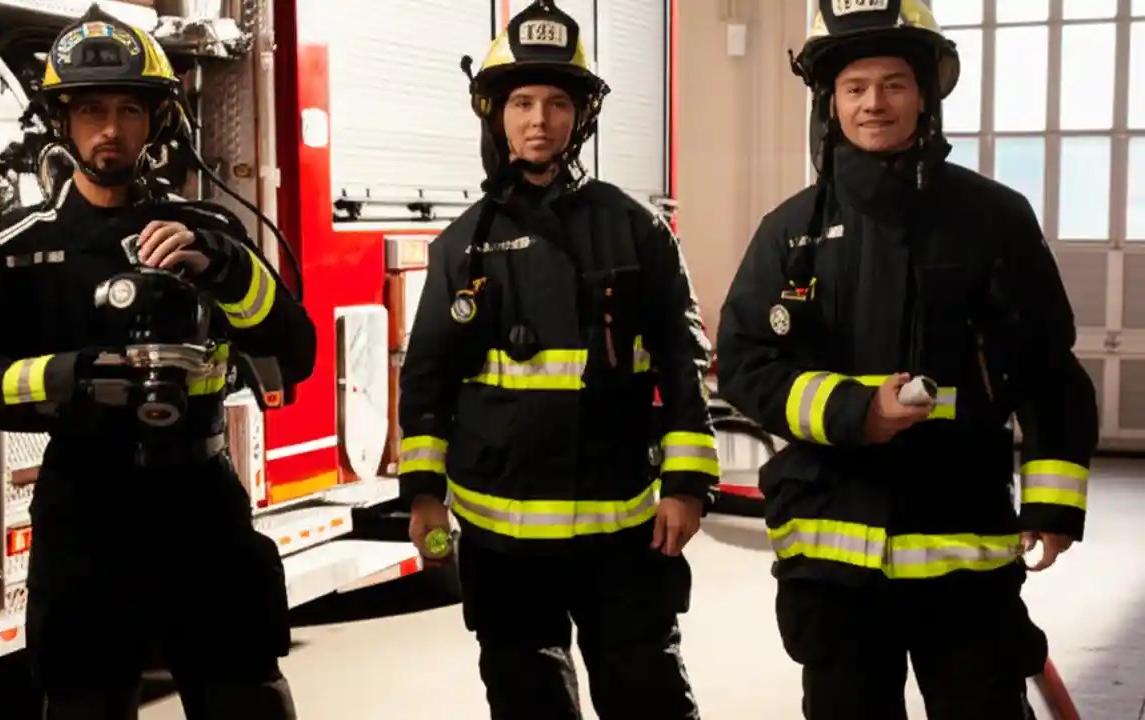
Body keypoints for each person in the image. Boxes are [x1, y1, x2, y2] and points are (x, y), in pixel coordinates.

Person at [0, 6, 313, 718]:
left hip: (202, 509)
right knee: (85, 703)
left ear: (157, 121)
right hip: (86, 514)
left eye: (129, 109)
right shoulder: (15, 250)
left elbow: (297, 353)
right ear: (61, 122)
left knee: (245, 697)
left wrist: (224, 268)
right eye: (91, 110)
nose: (110, 128)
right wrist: (77, 376)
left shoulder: (208, 230)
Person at [713, 1, 1099, 718]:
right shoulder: (788, 231)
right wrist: (853, 411)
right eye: (855, 87)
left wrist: (1053, 503)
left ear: (924, 94)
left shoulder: (995, 218)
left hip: (964, 546)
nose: (874, 103)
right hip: (833, 563)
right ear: (831, 101)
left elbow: (1049, 369)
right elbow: (743, 361)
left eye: (893, 84)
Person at [397, 2, 716, 718]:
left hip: (622, 526)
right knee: (526, 699)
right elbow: (427, 380)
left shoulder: (636, 229)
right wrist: (422, 494)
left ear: (581, 116)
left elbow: (682, 359)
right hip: (499, 537)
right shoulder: (460, 247)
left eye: (557, 103)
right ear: (496, 115)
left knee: (647, 693)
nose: (539, 120)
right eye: (521, 103)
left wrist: (688, 485)